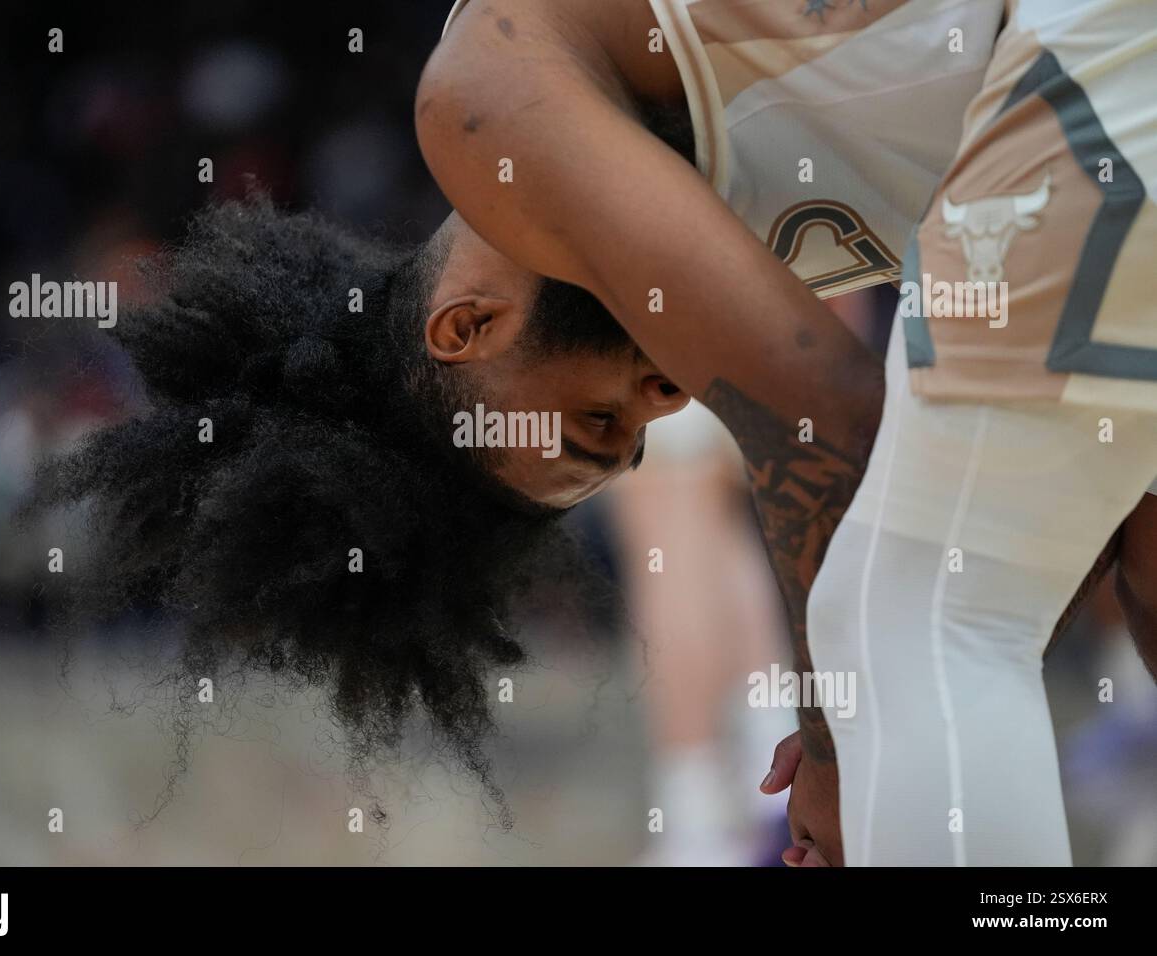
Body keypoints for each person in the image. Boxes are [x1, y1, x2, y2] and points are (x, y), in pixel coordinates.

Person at [415, 0, 1157, 864]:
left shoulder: (476, 96)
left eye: (597, 420)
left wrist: (842, 750)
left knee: (910, 623)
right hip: (1099, 107)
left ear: (466, 329)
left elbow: (828, 429)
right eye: (636, 437)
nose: (663, 401)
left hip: (1101, 50)